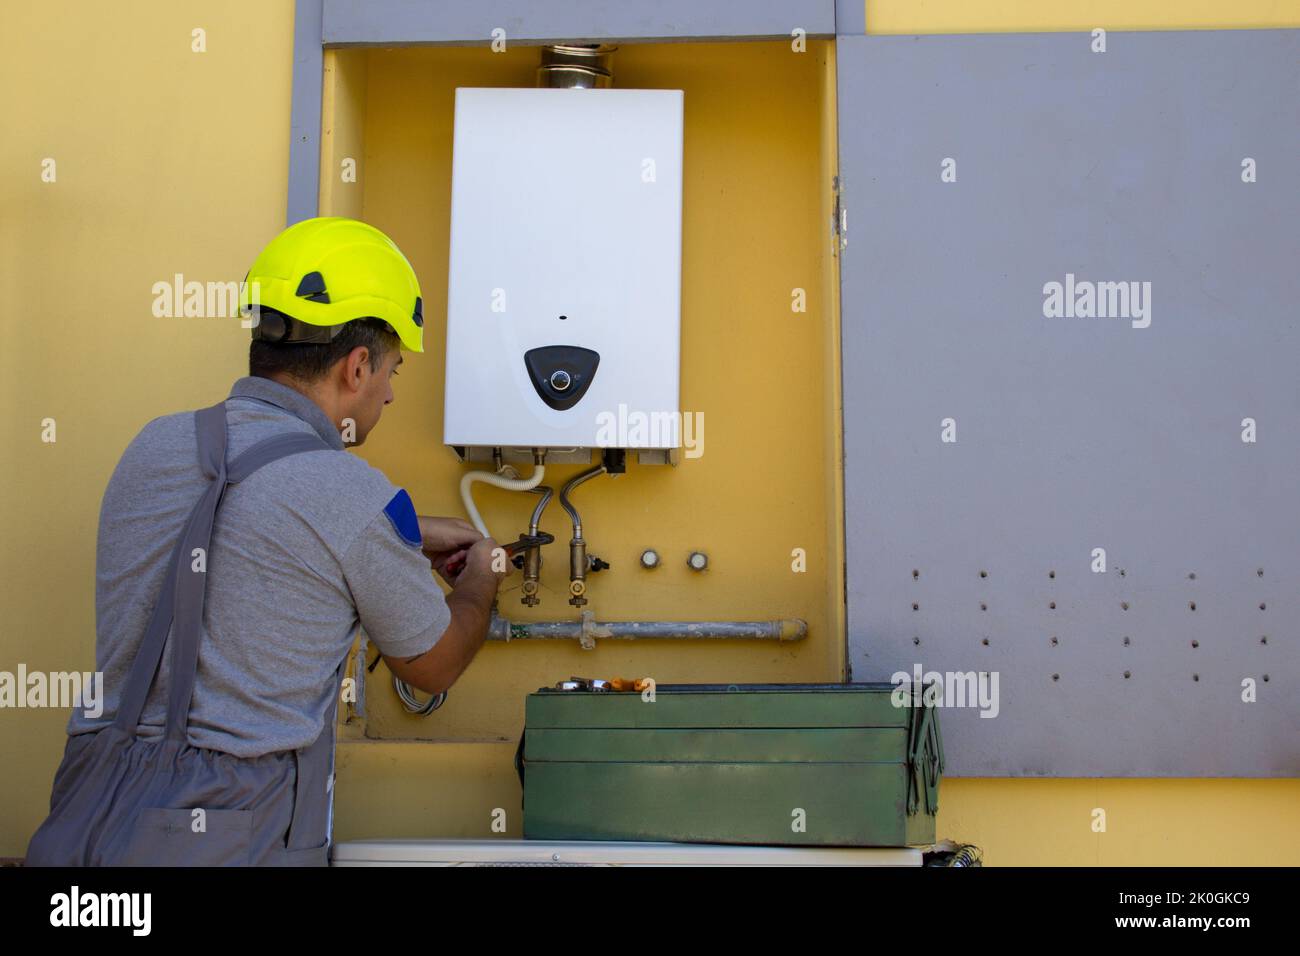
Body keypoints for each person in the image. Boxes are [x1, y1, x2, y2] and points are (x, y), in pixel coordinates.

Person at [25, 217, 506, 866]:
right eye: (393, 370)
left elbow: (246, 535)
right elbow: (435, 662)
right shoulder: (354, 495)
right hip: (234, 827)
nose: (390, 394)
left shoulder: (150, 449)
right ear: (357, 366)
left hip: (92, 812)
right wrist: (484, 572)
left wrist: (402, 532)